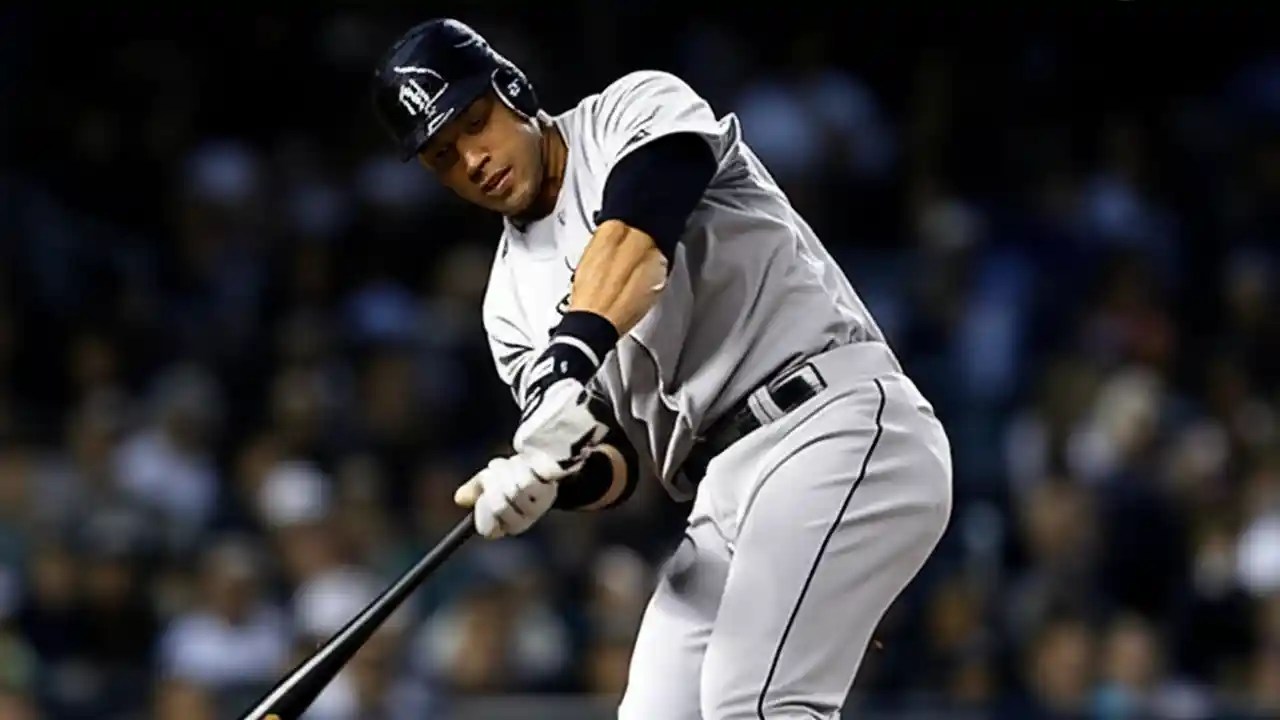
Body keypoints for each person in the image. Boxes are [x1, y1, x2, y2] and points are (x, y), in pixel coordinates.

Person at [371, 18, 953, 719]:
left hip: (832, 421)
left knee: (753, 702)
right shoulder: (506, 307)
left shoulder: (630, 110)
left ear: (512, 88)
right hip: (721, 492)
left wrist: (564, 368)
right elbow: (612, 460)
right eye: (441, 155)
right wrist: (547, 482)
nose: (470, 158)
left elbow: (638, 237)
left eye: (473, 122)